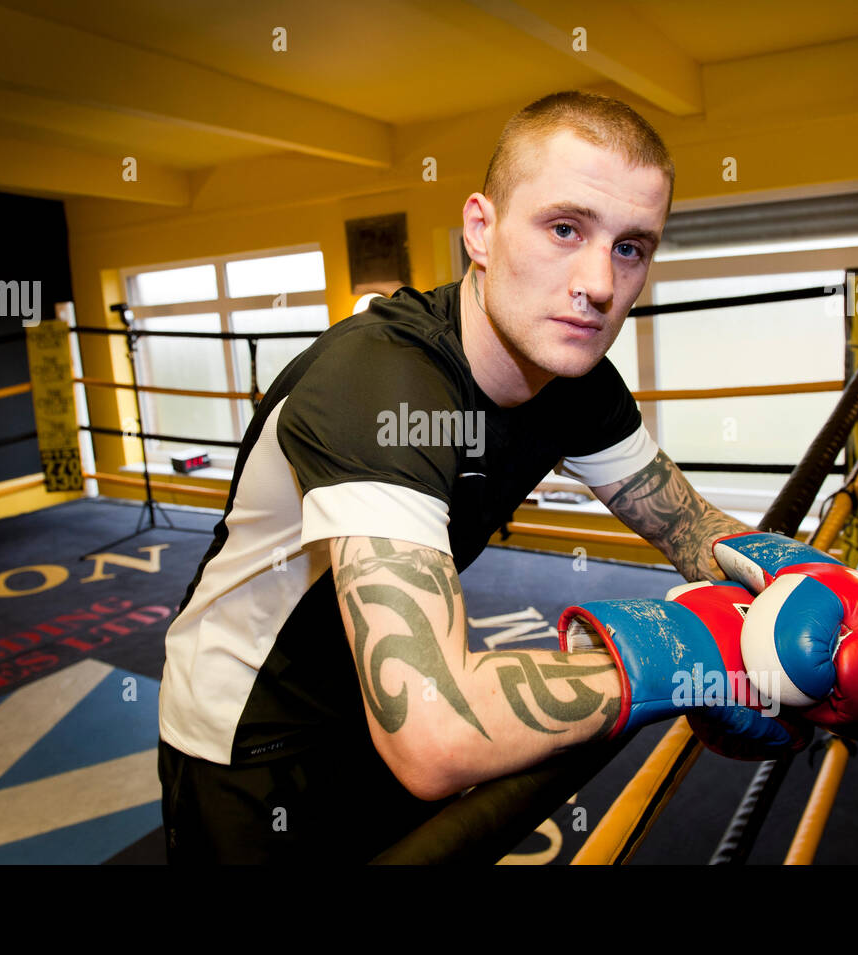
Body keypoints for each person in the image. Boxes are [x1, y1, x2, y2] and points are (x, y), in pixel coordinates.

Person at [157, 90, 769, 864]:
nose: (600, 284)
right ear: (480, 229)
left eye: (631, 248)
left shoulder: (575, 378)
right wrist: (687, 656)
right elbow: (436, 733)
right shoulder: (381, 385)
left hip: (382, 696)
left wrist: (815, 588)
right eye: (564, 228)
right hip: (250, 730)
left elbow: (690, 528)